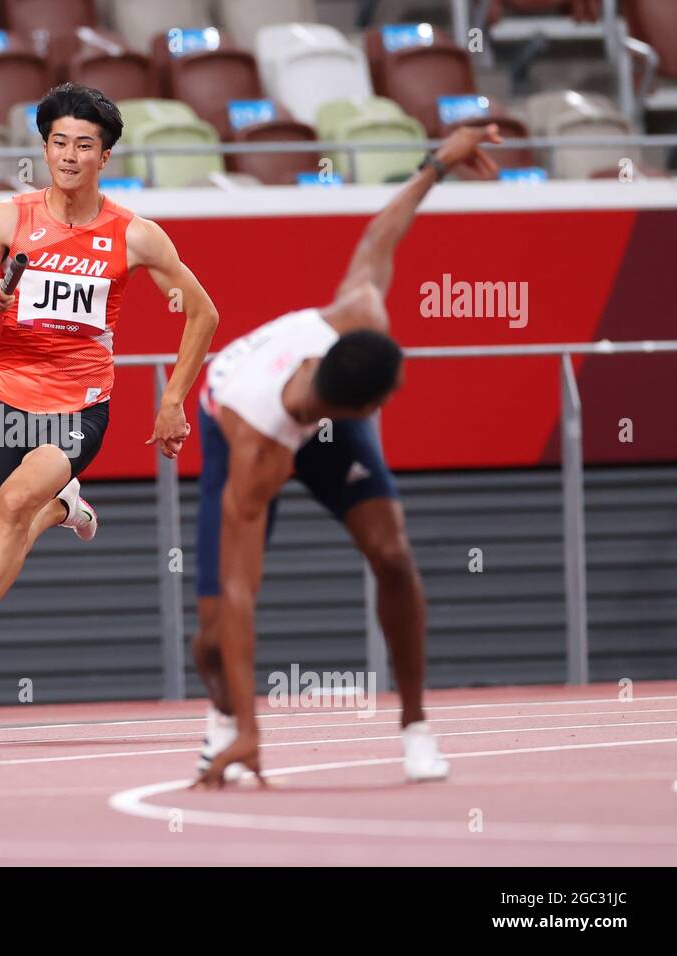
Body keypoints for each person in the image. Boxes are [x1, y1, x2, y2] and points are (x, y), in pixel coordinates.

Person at [194, 125, 504, 788]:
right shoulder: (257, 447)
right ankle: (226, 721)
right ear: (361, 411)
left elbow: (379, 236)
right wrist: (254, 726)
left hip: (313, 402)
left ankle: (416, 726)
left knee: (392, 554)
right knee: (214, 628)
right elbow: (243, 590)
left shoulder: (359, 315)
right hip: (239, 419)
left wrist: (435, 165)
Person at [0, 83, 220, 680]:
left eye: (84, 145)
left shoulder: (134, 235)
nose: (69, 156)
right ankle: (66, 506)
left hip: (79, 407)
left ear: (105, 158)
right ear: (44, 149)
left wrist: (173, 400)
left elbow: (203, 313)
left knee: (18, 504)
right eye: (58, 143)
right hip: (7, 400)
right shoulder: (9, 218)